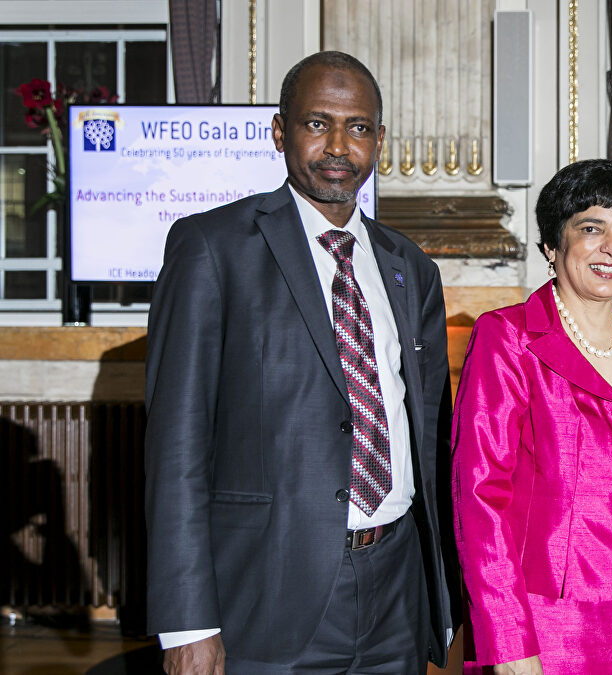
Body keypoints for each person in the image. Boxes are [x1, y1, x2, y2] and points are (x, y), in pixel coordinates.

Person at [144, 51, 456, 674]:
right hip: (266, 594)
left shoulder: (410, 267)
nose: (339, 145)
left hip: (397, 587)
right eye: (318, 124)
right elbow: (175, 446)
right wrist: (187, 621)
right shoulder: (212, 248)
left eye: (359, 127)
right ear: (281, 132)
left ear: (379, 140)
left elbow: (428, 431)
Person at [452, 159, 612, 675]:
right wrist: (507, 636)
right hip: (542, 618)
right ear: (553, 246)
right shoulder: (507, 338)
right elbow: (480, 497)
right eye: (591, 228)